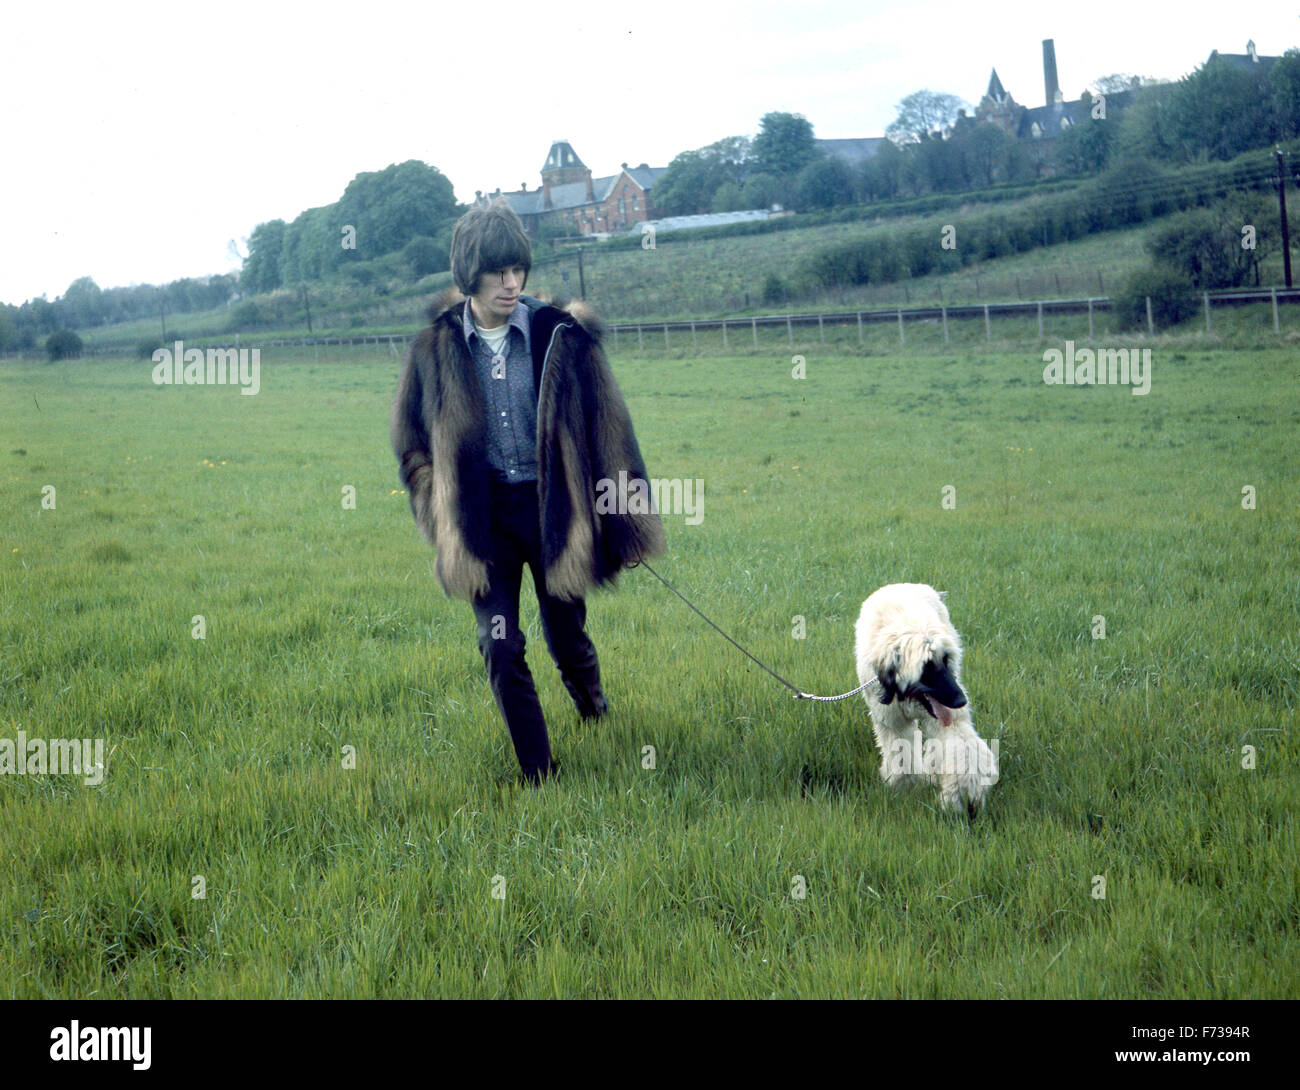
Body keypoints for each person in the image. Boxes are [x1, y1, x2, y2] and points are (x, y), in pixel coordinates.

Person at [391, 200, 664, 785]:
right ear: (470, 274)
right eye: (497, 272)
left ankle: (594, 708)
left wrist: (628, 517)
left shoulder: (559, 335)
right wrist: (438, 509)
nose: (511, 283)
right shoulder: (434, 349)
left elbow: (609, 430)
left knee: (565, 633)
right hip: (482, 520)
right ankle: (539, 772)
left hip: (553, 509)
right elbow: (410, 443)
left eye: (518, 270)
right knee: (501, 646)